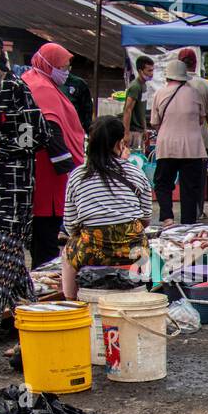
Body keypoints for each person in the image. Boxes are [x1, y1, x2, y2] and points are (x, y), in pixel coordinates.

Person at [0, 23, 50, 366]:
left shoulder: (14, 88)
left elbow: (38, 135)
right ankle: (38, 332)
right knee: (11, 266)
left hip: (15, 188)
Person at [60, 116, 151, 300]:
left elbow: (70, 225)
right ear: (119, 144)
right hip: (134, 252)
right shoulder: (135, 172)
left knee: (67, 253)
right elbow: (146, 217)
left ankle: (71, 299)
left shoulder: (78, 175)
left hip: (91, 253)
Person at [23, 43, 84, 267]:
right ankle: (43, 291)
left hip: (37, 173)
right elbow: (51, 131)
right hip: (48, 176)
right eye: (63, 66)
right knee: (46, 241)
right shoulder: (42, 88)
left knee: (41, 239)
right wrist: (68, 168)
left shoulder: (33, 80)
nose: (66, 71)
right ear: (49, 65)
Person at [152, 55, 208, 227]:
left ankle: (167, 217)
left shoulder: (159, 93)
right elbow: (202, 119)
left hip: (167, 146)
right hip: (192, 147)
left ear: (168, 76)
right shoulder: (195, 93)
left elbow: (155, 122)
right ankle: (188, 222)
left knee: (163, 183)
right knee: (190, 187)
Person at [175, 48, 208, 221]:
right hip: (200, 138)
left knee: (180, 177)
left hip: (176, 137)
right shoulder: (204, 84)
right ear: (196, 63)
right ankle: (198, 210)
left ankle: (176, 213)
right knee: (198, 178)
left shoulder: (171, 85)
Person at [122, 55, 154, 151]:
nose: (152, 73)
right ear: (140, 71)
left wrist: (144, 128)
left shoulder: (143, 85)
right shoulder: (135, 86)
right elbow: (128, 110)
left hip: (139, 130)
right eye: (149, 70)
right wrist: (126, 133)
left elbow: (142, 110)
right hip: (132, 130)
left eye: (152, 70)